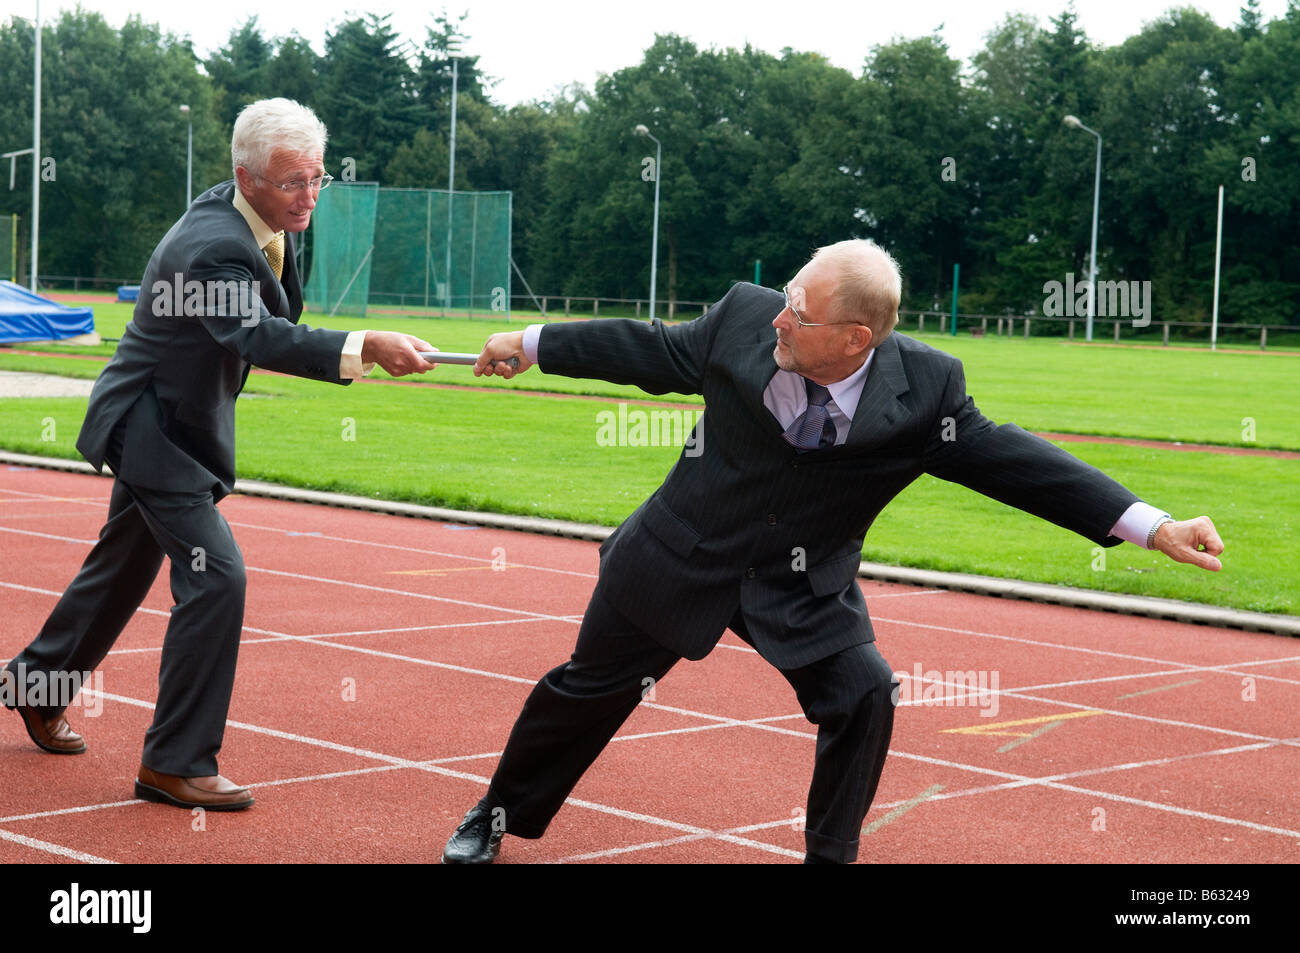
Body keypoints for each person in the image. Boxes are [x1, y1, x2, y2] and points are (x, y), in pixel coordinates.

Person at [442, 238, 1224, 863]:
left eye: (800, 313)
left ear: (856, 337)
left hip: (799, 582)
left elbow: (1017, 464)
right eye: (786, 298)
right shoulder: (743, 318)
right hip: (681, 551)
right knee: (586, 691)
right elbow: (649, 349)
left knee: (865, 695)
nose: (780, 319)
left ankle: (831, 855)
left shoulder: (925, 392)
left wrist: (1151, 524)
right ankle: (499, 810)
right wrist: (534, 341)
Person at [4, 98, 437, 811]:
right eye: (292, 181)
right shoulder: (213, 243)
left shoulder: (259, 215)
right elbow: (260, 336)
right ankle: (174, 762)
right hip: (146, 425)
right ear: (247, 175)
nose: (309, 195)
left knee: (121, 566)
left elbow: (272, 321)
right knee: (217, 577)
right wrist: (366, 348)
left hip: (179, 421)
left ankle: (34, 682)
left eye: (318, 178)